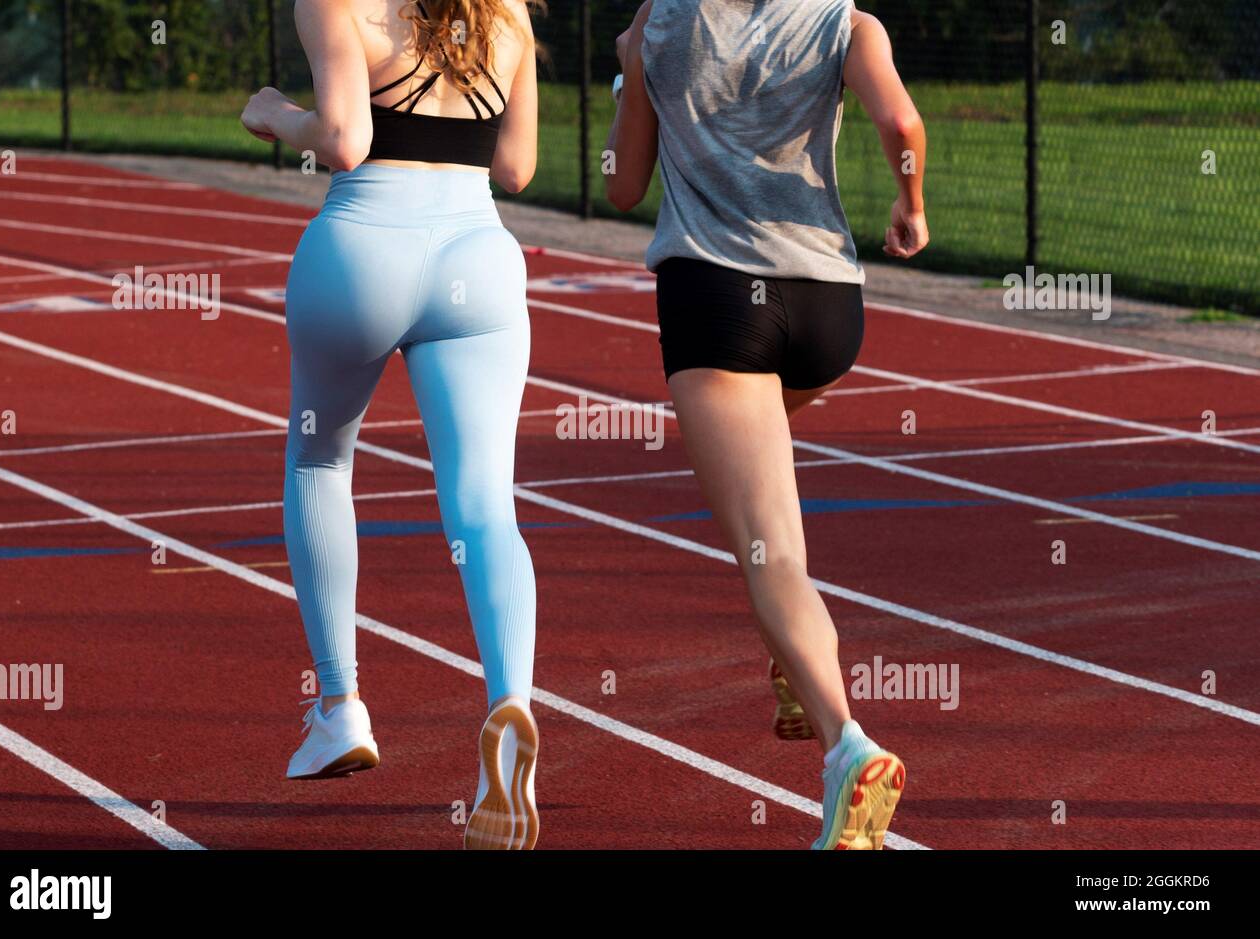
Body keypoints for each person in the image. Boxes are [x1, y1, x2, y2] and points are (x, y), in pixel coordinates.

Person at [605, 0, 929, 849]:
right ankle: (792, 664)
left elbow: (621, 182)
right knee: (765, 489)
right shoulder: (846, 22)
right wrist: (911, 204)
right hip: (827, 308)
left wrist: (628, 72)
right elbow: (899, 119)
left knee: (769, 549)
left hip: (718, 302)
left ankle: (845, 744)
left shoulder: (661, 24)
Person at [240, 0, 543, 850]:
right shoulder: (507, 10)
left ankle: (340, 707)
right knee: (486, 507)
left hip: (361, 252)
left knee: (319, 464)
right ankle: (510, 698)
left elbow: (343, 140)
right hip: (478, 257)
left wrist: (271, 115)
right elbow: (517, 165)